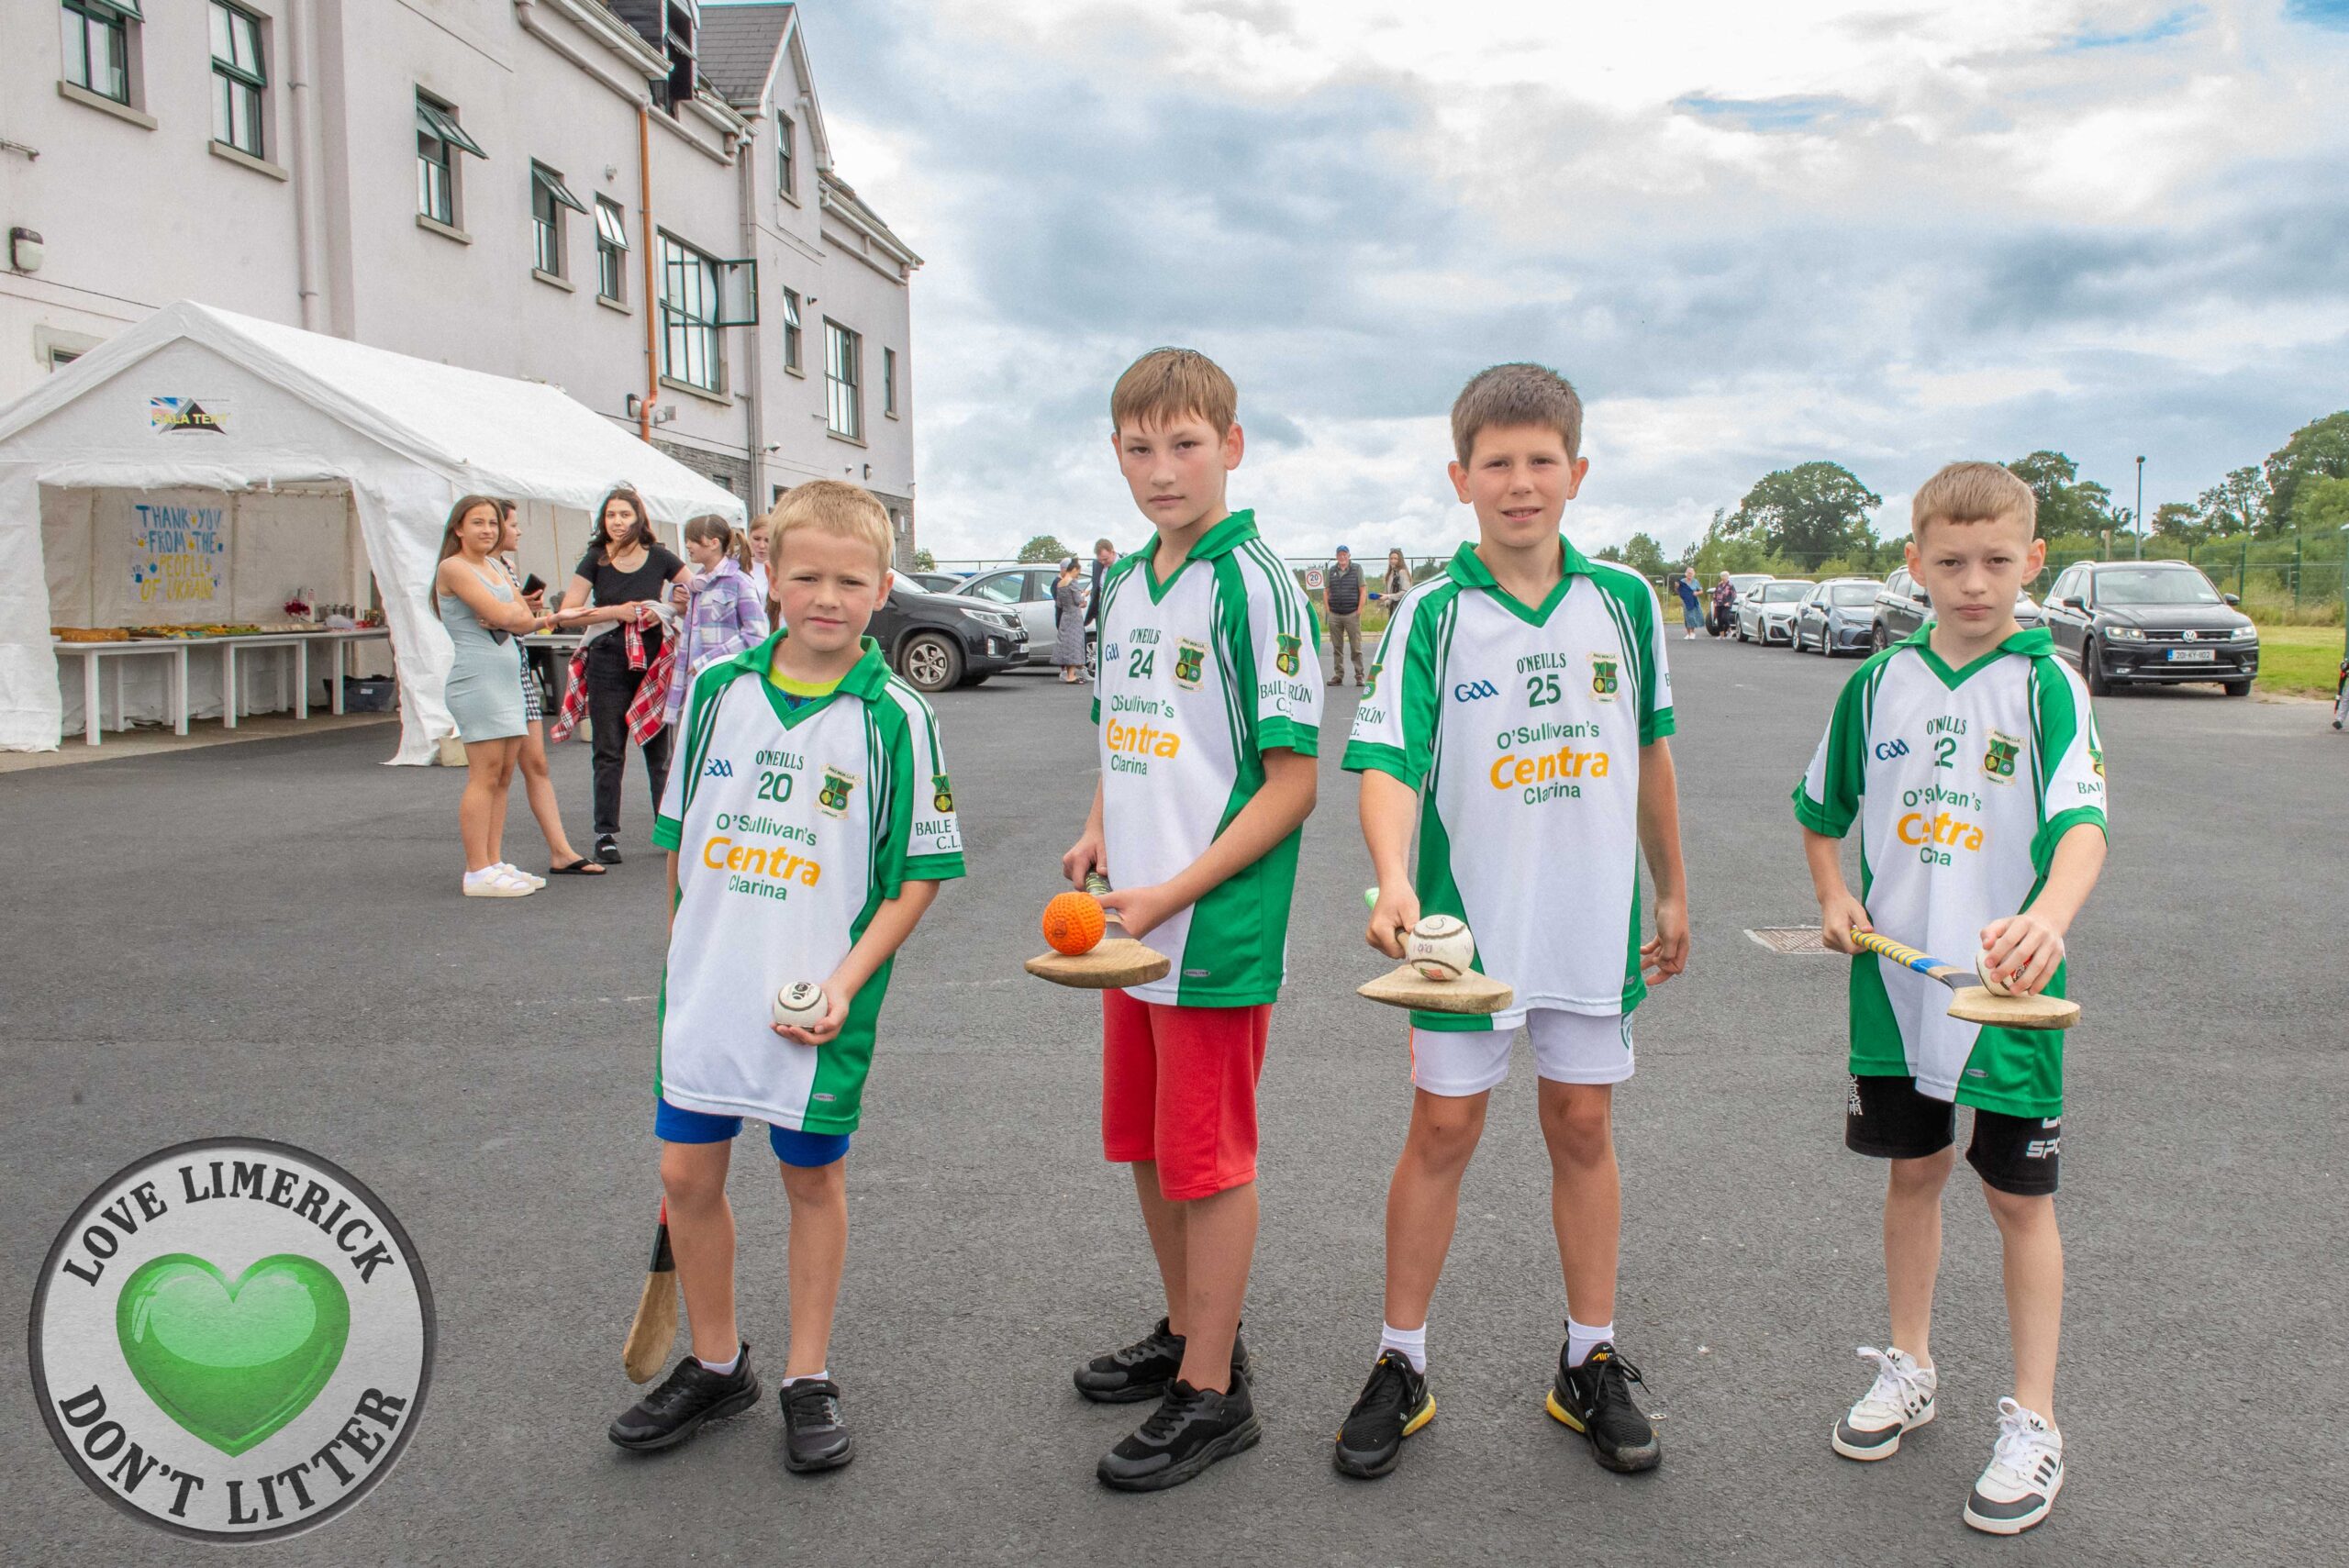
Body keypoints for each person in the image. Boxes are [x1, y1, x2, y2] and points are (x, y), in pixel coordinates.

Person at [1334, 362, 1688, 1480]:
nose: (1521, 482)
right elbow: (1386, 759)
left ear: (1576, 472)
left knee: (1582, 1123)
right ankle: (1400, 1359)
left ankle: (1589, 1359)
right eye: (1498, 462)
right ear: (1460, 476)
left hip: (1591, 919)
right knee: (1441, 1132)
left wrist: (1671, 885)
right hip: (1464, 934)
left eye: (1542, 461)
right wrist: (1392, 877)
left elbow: (1649, 752)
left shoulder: (1625, 601)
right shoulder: (1432, 613)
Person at [607, 480, 964, 1472]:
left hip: (816, 1002)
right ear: (769, 574)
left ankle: (808, 1373)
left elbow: (916, 877)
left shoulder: (896, 716)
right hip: (710, 989)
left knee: (810, 1176)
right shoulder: (719, 692)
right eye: (805, 574)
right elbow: (680, 837)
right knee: (686, 1174)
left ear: (882, 587)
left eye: (851, 580)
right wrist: (685, 942)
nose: (826, 596)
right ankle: (719, 1363)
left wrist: (844, 981)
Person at [1795, 461, 2108, 1536]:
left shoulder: (2047, 683)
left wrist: (2049, 921)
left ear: (2032, 562)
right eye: (1948, 561)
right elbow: (1818, 810)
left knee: (2018, 1198)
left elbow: (2082, 827)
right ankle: (1910, 1365)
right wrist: (1833, 891)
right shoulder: (1875, 684)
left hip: (2009, 994)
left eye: (1994, 561)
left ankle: (2035, 1419)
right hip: (1895, 985)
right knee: (1915, 1171)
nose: (1972, 582)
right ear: (1914, 564)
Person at [1062, 346, 1321, 1490]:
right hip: (1131, 915)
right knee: (1146, 1144)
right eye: (1138, 446)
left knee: (1207, 1160)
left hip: (1207, 923)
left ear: (1231, 445)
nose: (1161, 468)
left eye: (1184, 443)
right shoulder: (1125, 580)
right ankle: (1185, 1327)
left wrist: (1175, 890)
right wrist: (1099, 824)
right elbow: (1130, 731)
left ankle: (1212, 1393)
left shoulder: (1254, 582)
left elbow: (1290, 778)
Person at [434, 495, 562, 897]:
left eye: (493, 523)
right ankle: (476, 870)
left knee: (504, 775)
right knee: (484, 775)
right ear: (458, 528)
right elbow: (512, 617)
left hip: (506, 677)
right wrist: (513, 614)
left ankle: (492, 860)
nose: (488, 530)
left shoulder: (492, 565)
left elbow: (520, 619)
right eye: (478, 523)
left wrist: (514, 614)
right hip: (478, 679)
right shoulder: (453, 567)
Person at [559, 485, 689, 864]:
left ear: (639, 518)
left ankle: (667, 830)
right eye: (611, 515)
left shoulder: (661, 557)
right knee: (608, 750)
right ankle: (605, 834)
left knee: (658, 752)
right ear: (603, 520)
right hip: (607, 659)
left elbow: (693, 592)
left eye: (625, 515)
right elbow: (569, 611)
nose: (617, 522)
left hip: (653, 660)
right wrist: (618, 611)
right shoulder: (596, 559)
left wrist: (664, 608)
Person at [495, 503, 604, 878]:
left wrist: (525, 611)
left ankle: (560, 850)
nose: (517, 531)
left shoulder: (503, 568)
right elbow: (501, 620)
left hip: (518, 667)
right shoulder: (473, 569)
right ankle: (486, 861)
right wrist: (543, 616)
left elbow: (514, 620)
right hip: (493, 673)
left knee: (535, 763)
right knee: (496, 772)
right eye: (511, 524)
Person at [662, 515, 770, 726]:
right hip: (695, 683)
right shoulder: (698, 583)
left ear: (713, 543)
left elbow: (757, 635)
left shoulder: (739, 582)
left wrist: (707, 661)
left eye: (693, 539)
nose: (688, 545)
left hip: (724, 682)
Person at [1324, 544, 1365, 685]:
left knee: (1356, 647)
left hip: (1351, 614)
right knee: (1337, 647)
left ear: (1349, 556)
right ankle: (1338, 675)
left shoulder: (1357, 569)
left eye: (1344, 554)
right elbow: (1326, 591)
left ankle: (1359, 675)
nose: (1342, 557)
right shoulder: (1331, 571)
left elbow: (1363, 590)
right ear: (1337, 556)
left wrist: (1359, 610)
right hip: (1335, 614)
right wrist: (1328, 610)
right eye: (1340, 554)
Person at [1052, 556, 1089, 684]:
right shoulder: (1072, 582)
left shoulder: (1060, 583)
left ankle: (1069, 673)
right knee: (1074, 644)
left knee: (1066, 644)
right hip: (1074, 616)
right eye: (1078, 571)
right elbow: (1078, 600)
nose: (1078, 574)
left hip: (1065, 616)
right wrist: (1084, 596)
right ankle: (1071, 676)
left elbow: (1059, 604)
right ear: (1073, 569)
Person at [1085, 537, 1117, 629]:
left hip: (1118, 613)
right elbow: (1095, 586)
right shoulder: (1096, 564)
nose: (1102, 562)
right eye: (1100, 560)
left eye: (1105, 559)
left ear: (1112, 552)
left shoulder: (1126, 564)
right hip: (1101, 613)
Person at [1675, 565, 1702, 639]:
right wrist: (1676, 587)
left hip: (1694, 601)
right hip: (1685, 602)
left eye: (1691, 573)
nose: (1690, 574)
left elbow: (1701, 591)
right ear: (1686, 573)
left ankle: (1692, 633)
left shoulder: (1696, 581)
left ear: (1694, 574)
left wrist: (1697, 593)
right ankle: (1688, 633)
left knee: (1692, 617)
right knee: (1687, 617)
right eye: (1688, 573)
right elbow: (1678, 591)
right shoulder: (1682, 581)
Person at [1710, 571, 1737, 637]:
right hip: (1718, 604)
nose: (1724, 578)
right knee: (1719, 619)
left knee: (1724, 618)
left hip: (1726, 605)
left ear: (1728, 577)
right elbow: (1715, 594)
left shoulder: (1730, 585)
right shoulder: (1719, 585)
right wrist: (1715, 602)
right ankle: (1721, 635)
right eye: (1722, 576)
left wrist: (1729, 602)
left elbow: (1734, 595)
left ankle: (1730, 630)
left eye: (1725, 576)